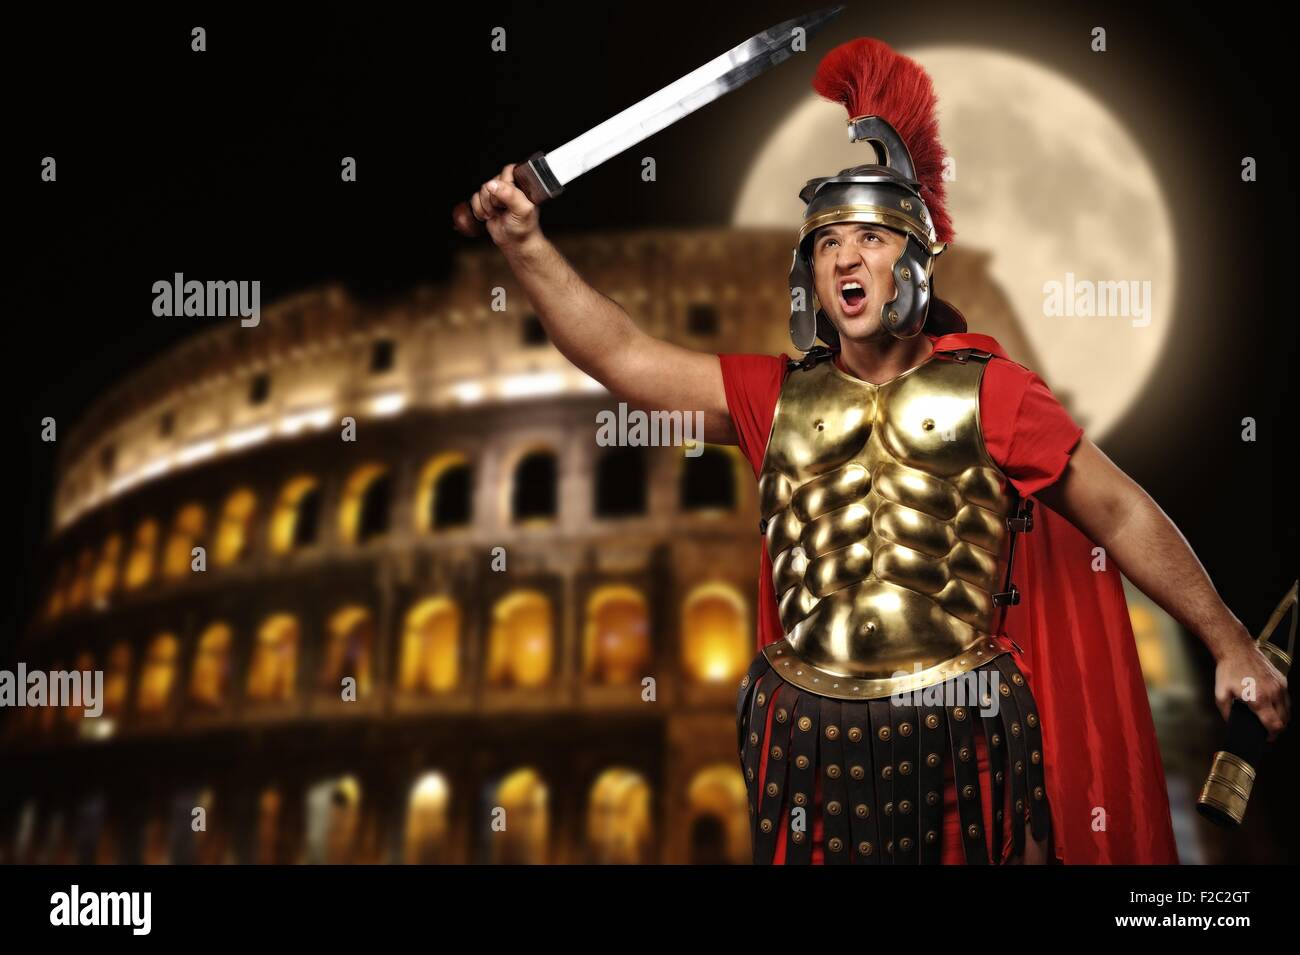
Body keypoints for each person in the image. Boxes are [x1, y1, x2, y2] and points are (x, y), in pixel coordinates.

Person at [461, 36, 1289, 865]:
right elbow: (625, 359)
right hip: (810, 743)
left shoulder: (990, 390)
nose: (846, 257)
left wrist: (1229, 643)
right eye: (827, 245)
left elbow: (1118, 509)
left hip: (967, 735)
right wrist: (527, 248)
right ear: (810, 281)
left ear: (914, 263)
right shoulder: (778, 394)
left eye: (870, 238)